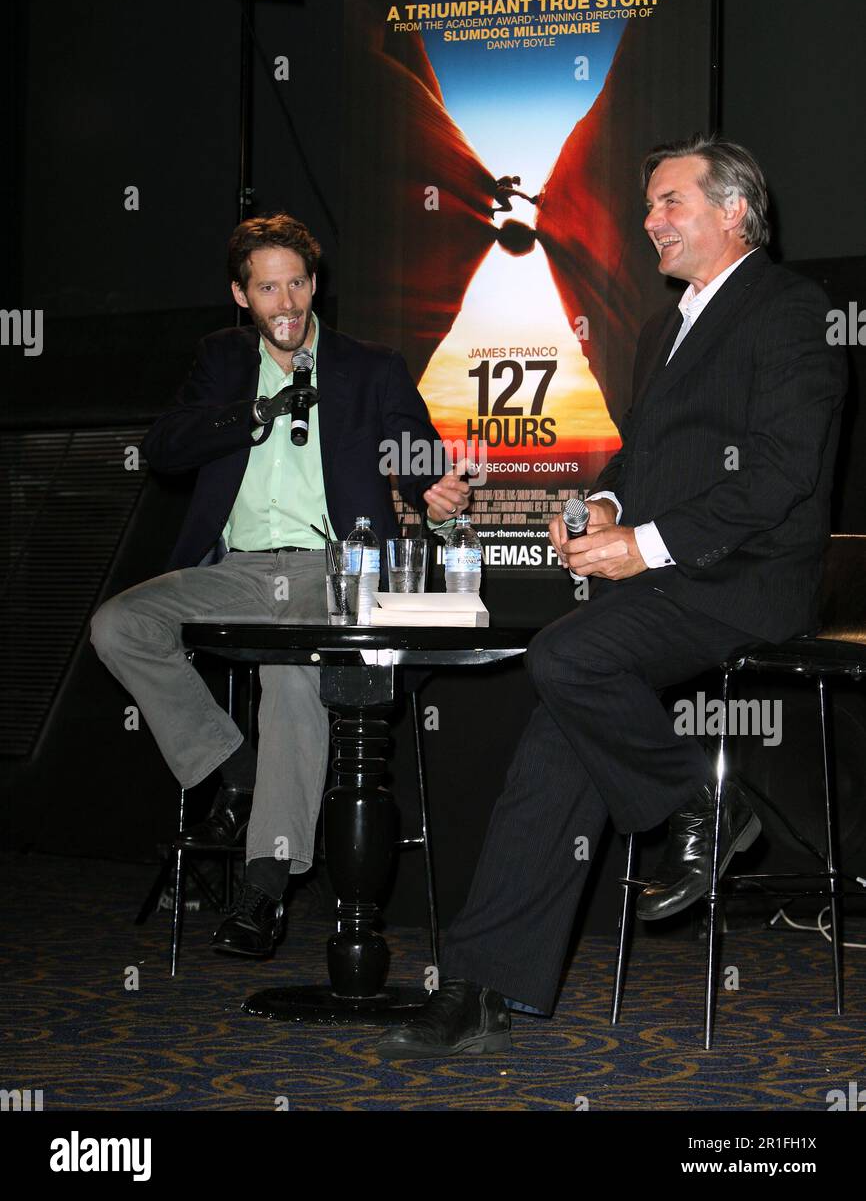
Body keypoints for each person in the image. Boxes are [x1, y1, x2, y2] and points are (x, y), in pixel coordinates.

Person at [375, 135, 848, 1058]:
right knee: (561, 724)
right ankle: (484, 987)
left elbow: (784, 476)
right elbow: (644, 459)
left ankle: (700, 806)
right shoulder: (665, 328)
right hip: (681, 579)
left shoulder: (793, 310)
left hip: (752, 577)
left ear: (733, 211)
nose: (649, 222)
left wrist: (647, 545)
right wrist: (604, 503)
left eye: (670, 202)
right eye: (646, 206)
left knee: (564, 656)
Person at [91, 213, 470, 958]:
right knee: (118, 625)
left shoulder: (369, 366)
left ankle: (264, 887)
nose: (286, 301)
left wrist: (434, 489)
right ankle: (233, 772)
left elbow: (415, 450)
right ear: (242, 296)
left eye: (296, 283)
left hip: (331, 571)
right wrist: (258, 413)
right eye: (268, 288)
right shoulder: (221, 363)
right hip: (232, 570)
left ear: (315, 284)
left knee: (295, 682)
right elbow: (166, 448)